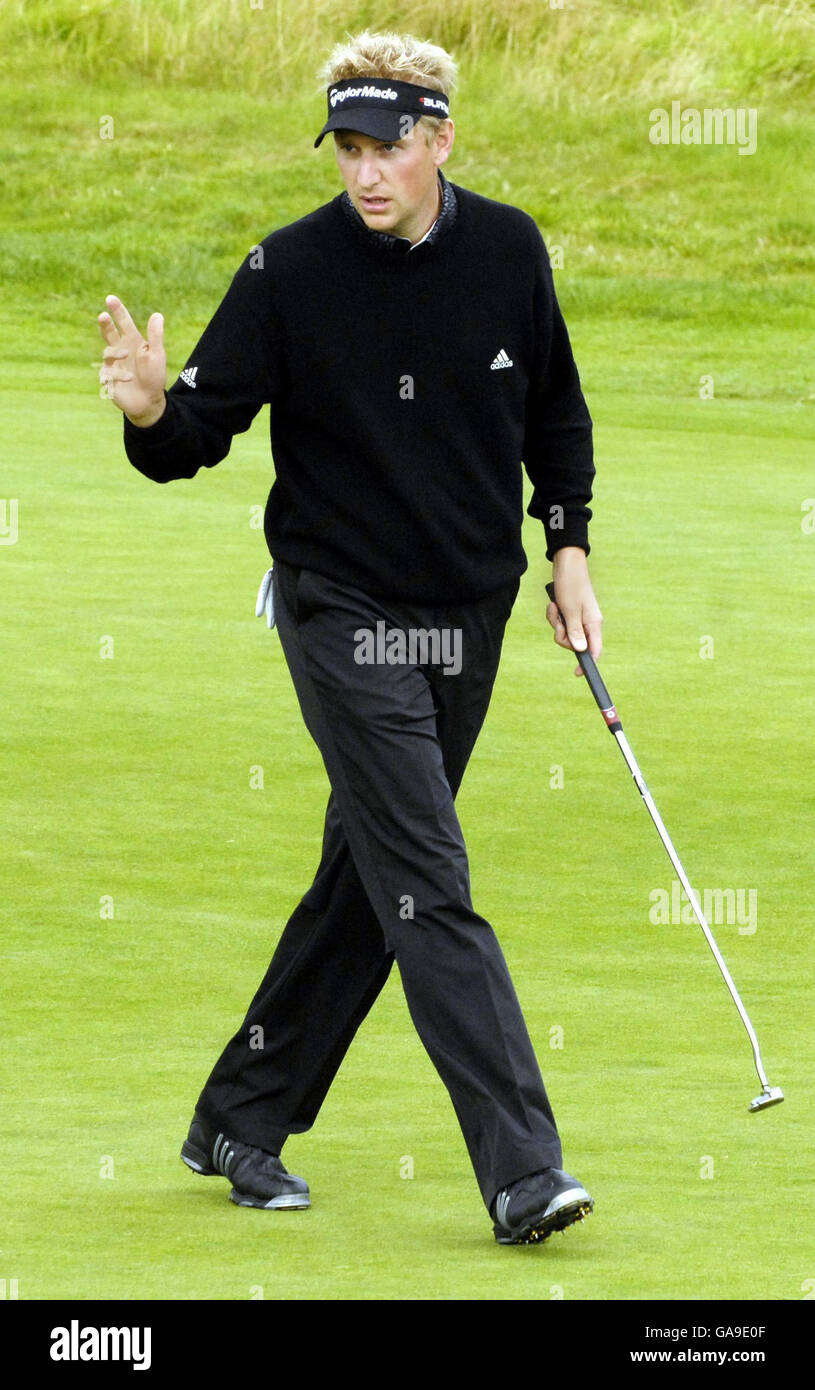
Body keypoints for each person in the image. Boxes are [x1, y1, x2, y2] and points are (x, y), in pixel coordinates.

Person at [96, 30, 603, 1247]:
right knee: (427, 876)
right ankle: (522, 1168)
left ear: (439, 142)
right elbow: (196, 432)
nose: (364, 173)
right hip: (344, 614)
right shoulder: (290, 270)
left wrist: (567, 549)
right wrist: (156, 408)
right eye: (347, 151)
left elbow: (554, 413)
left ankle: (238, 1114)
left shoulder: (509, 250)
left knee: (369, 884)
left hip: (467, 613)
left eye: (386, 149)